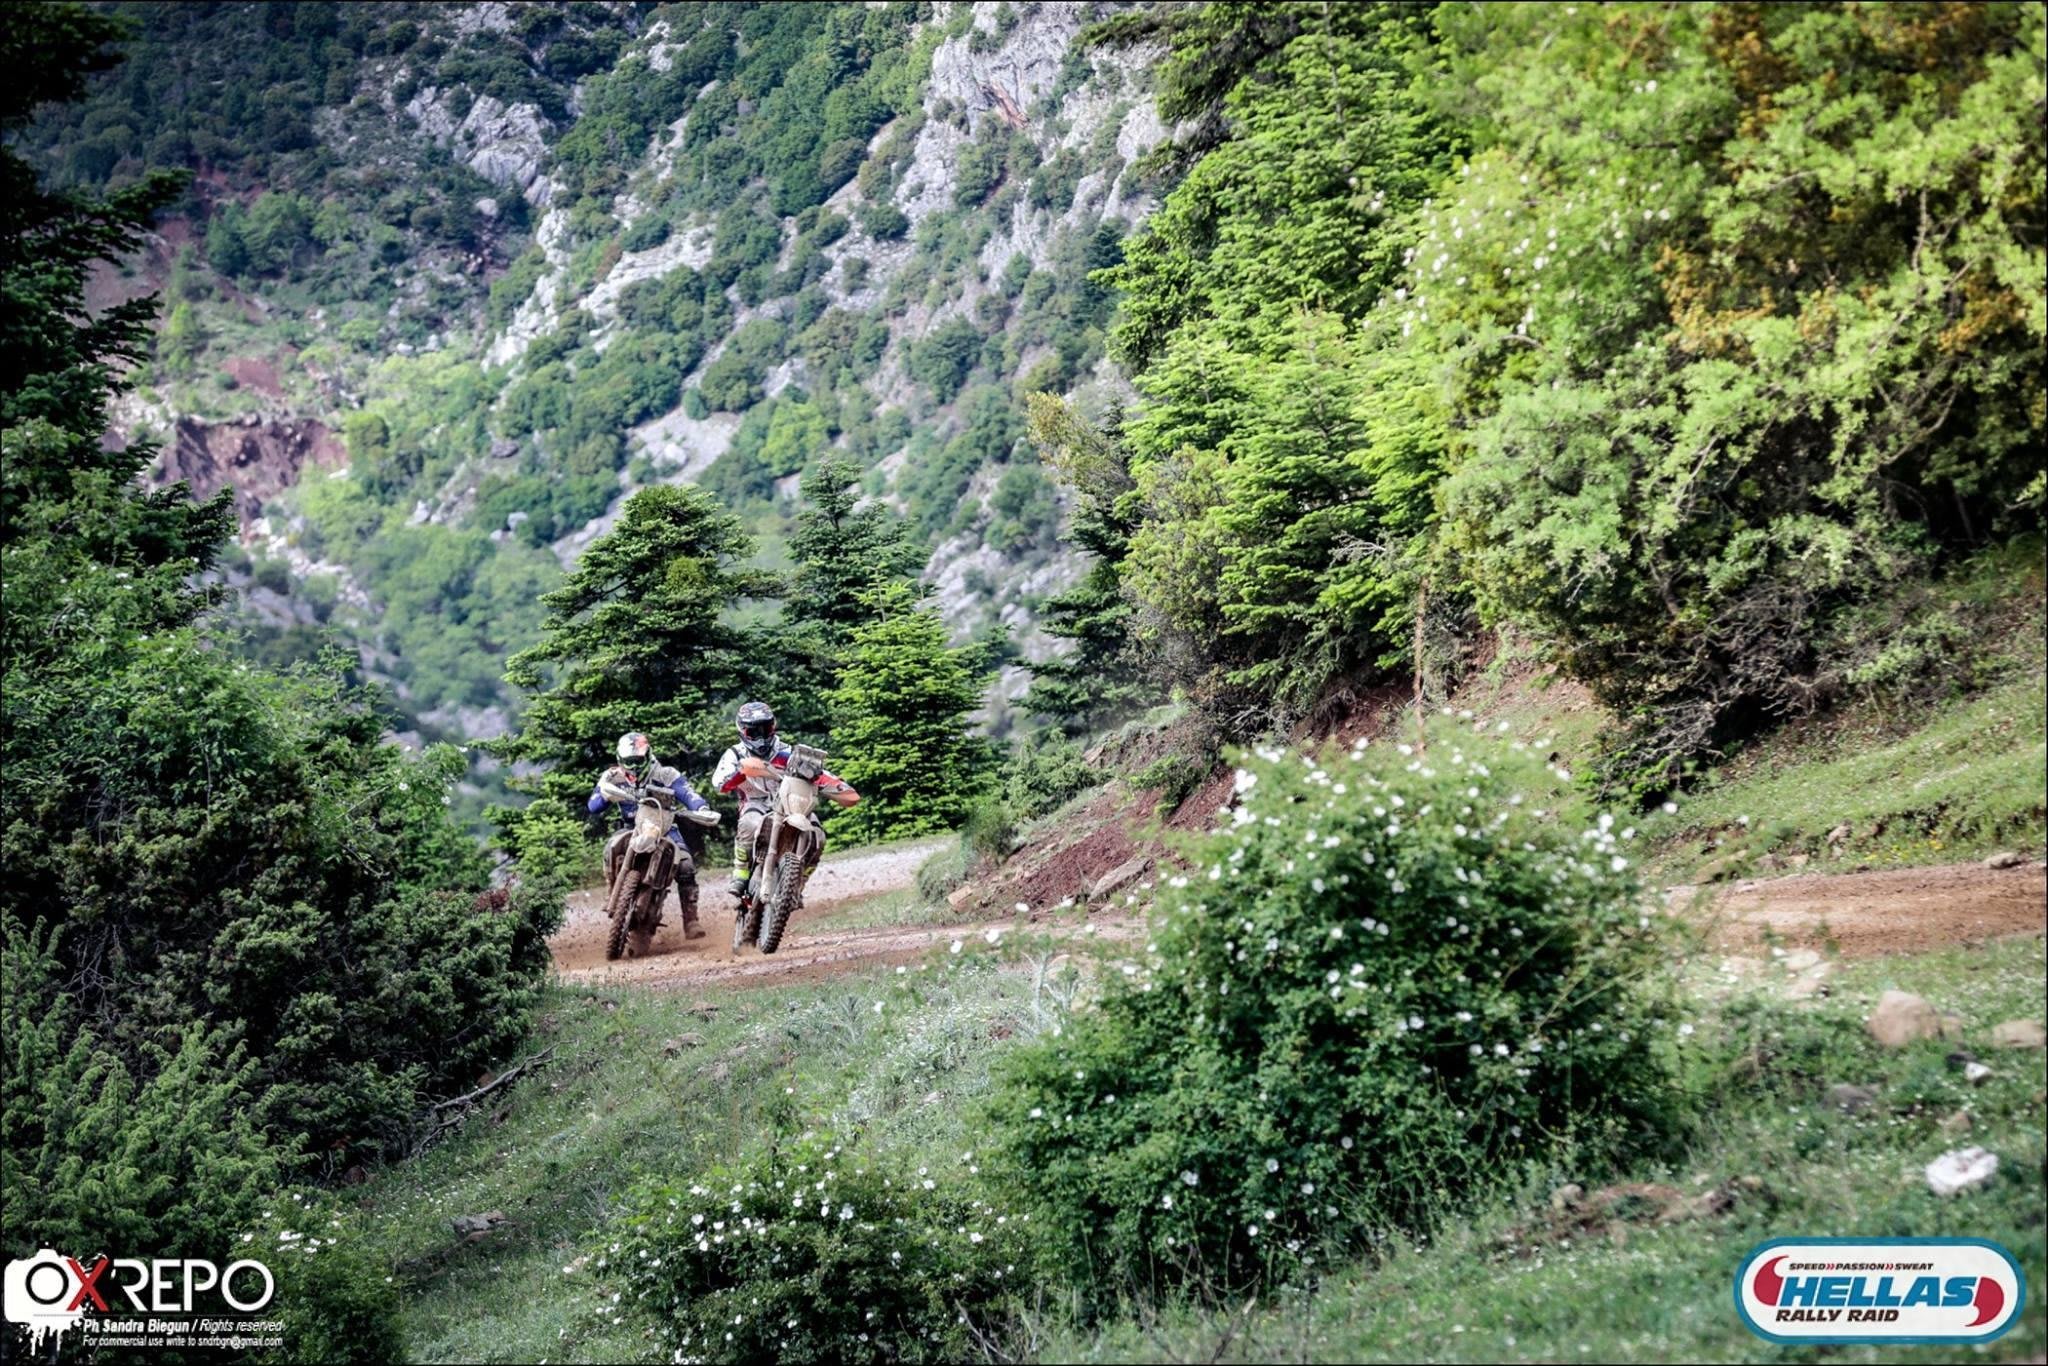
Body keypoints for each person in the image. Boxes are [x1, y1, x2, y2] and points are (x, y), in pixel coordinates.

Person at [711, 700, 857, 898]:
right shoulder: (735, 754)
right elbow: (720, 784)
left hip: (791, 803)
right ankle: (740, 872)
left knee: (817, 835)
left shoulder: (787, 753)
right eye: (754, 731)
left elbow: (818, 773)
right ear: (743, 731)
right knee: (748, 823)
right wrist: (741, 771)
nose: (761, 735)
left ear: (773, 726)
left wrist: (839, 786)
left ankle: (799, 882)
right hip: (755, 803)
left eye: (765, 728)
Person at [588, 731, 713, 939]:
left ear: (647, 756)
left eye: (638, 761)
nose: (634, 766)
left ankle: (691, 920)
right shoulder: (612, 776)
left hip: (665, 828)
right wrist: (604, 794)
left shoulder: (665, 774)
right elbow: (593, 805)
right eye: (629, 761)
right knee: (611, 847)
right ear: (620, 760)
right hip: (630, 827)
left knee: (686, 864)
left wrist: (701, 807)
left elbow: (687, 793)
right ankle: (612, 891)